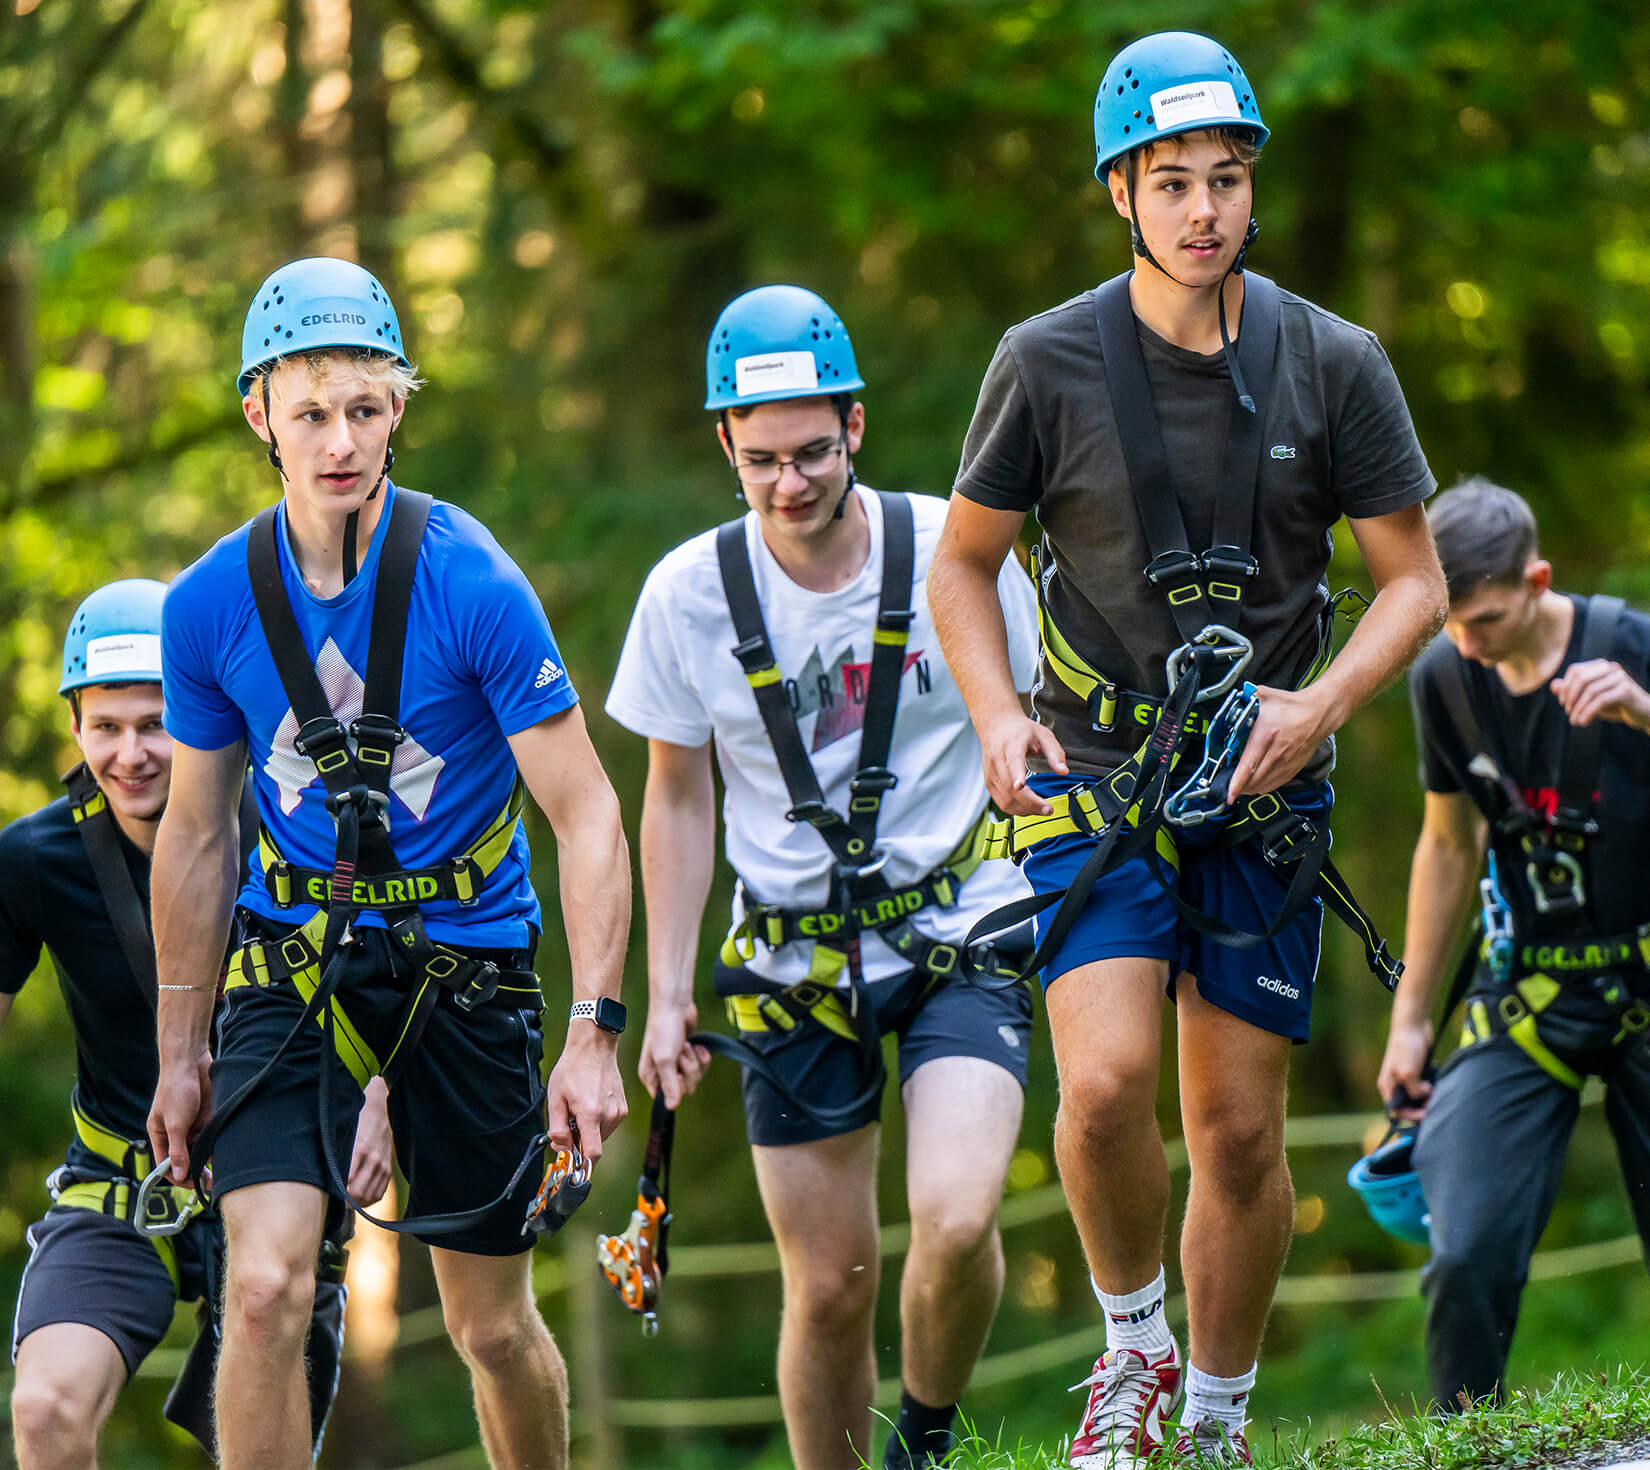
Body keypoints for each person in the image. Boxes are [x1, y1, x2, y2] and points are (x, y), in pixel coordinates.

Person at [927, 30, 1447, 1467]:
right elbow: (962, 566)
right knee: (1096, 1089)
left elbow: (1414, 580)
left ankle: (1213, 1419)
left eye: (1223, 179)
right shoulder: (1041, 362)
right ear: (1119, 194)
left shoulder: (1334, 361)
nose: (1202, 209)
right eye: (1171, 183)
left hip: (1260, 775)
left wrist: (1318, 707)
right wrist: (992, 712)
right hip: (1091, 766)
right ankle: (1131, 1343)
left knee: (1235, 1138)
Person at [147, 256, 631, 1470]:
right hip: (292, 962)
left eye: (365, 409)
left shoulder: (474, 580)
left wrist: (592, 1031)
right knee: (258, 1289)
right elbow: (199, 834)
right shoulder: (209, 605)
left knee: (489, 1325)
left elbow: (587, 813)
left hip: (466, 965)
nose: (339, 442)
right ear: (259, 415)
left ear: (399, 409)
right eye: (310, 413)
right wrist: (178, 1049)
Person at [609, 283, 1041, 1470]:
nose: (790, 484)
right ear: (724, 448)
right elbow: (679, 796)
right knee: (833, 1287)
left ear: (855, 426)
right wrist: (665, 992)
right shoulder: (685, 597)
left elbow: (1038, 725)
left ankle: (930, 1441)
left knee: (955, 1218)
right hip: (792, 959)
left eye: (811, 453)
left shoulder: (961, 549)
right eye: (760, 463)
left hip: (964, 927)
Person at [3, 578, 392, 1469]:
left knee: (254, 1444)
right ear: (74, 727)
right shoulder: (32, 861)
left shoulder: (287, 836)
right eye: (107, 727)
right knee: (46, 1410)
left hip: (274, 1175)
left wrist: (380, 1097)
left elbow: (383, 978)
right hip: (118, 1185)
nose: (132, 753)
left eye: (156, 723)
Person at [1376, 478, 1650, 1409]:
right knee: (1466, 1244)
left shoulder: (1633, 647)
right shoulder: (1445, 680)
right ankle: (1467, 1437)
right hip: (1527, 990)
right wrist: (1410, 1023)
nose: (1467, 642)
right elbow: (1449, 845)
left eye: (1484, 619)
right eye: (1451, 622)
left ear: (1537, 579)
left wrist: (1645, 714)